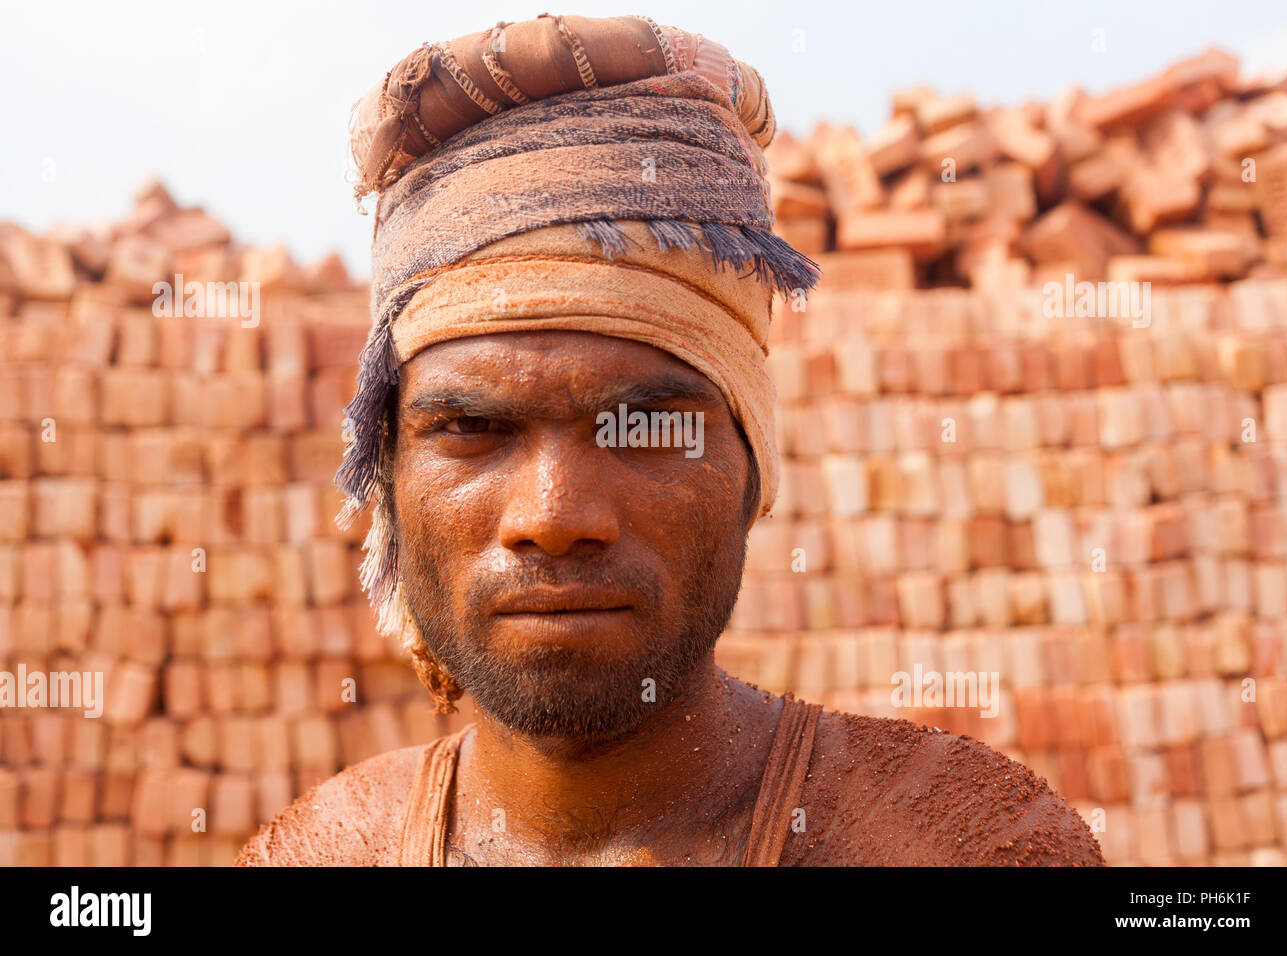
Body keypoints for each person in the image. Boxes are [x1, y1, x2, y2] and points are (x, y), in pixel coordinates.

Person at [237, 13, 1104, 866]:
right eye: (472, 429)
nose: (554, 516)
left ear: (751, 465)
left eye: (645, 427)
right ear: (385, 476)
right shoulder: (322, 854)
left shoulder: (964, 845)